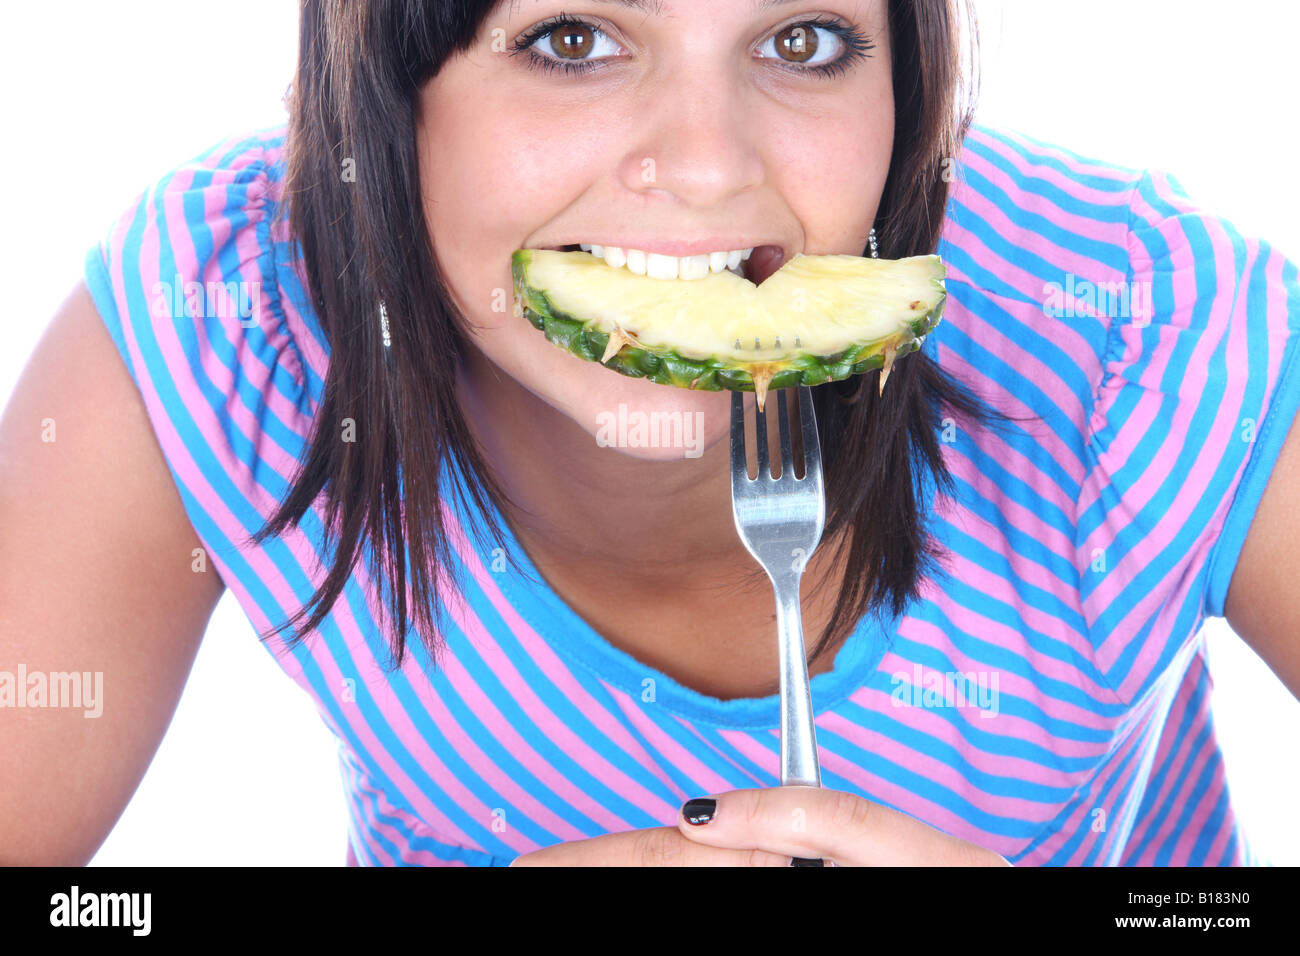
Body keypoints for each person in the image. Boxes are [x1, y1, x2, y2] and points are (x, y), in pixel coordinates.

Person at [2, 0, 1297, 866]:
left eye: (802, 38)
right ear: (385, 92)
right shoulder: (226, 321)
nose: (704, 167)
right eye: (572, 39)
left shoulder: (1139, 326)